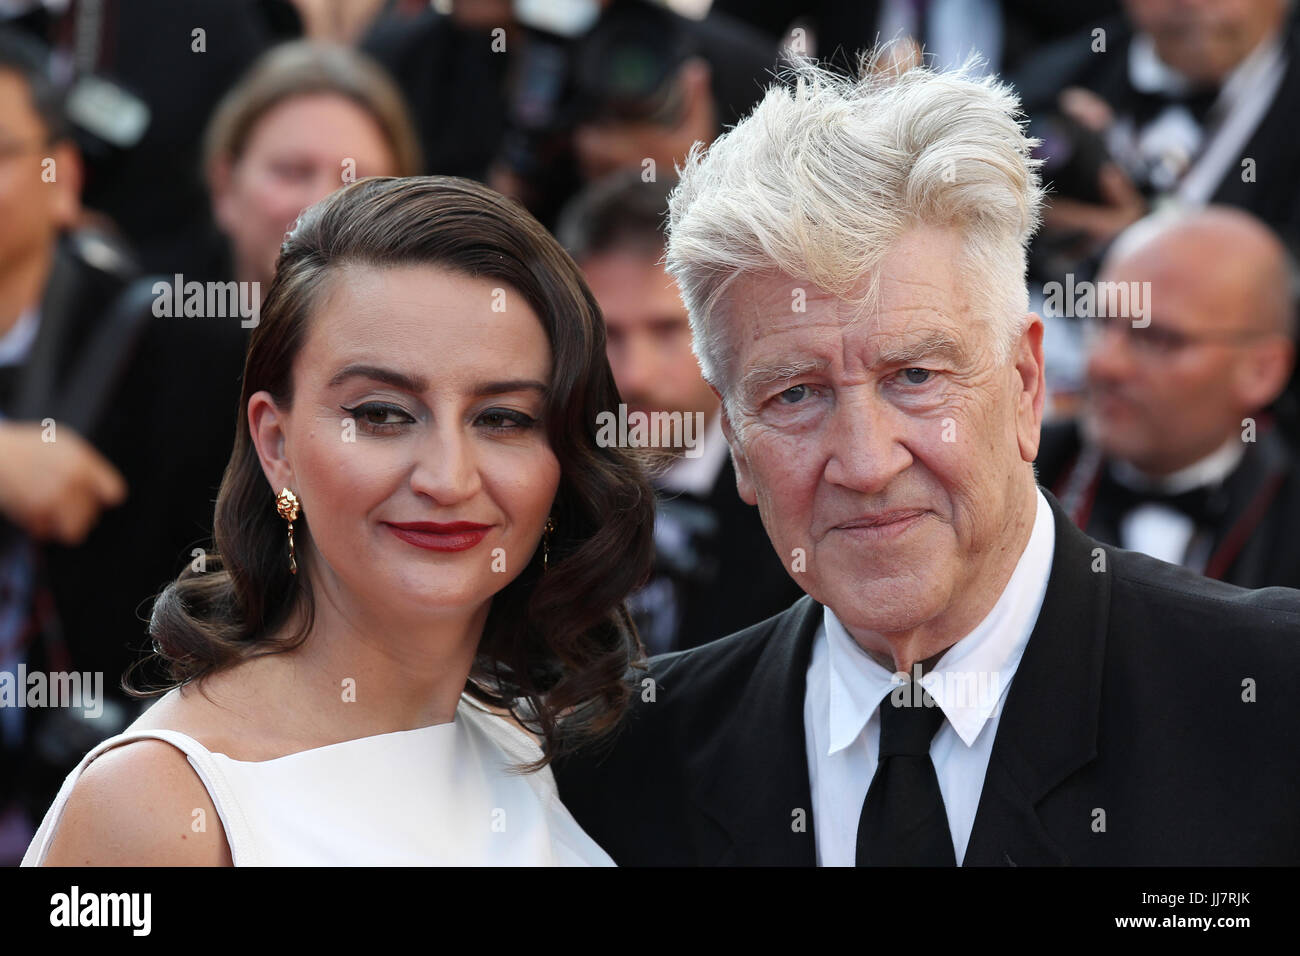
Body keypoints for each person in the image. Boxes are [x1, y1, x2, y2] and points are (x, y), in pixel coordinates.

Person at [553, 55, 1300, 866]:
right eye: (795, 395)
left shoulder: (1270, 698)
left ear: (1025, 386)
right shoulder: (623, 767)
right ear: (734, 439)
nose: (866, 463)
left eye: (914, 377)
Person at [22, 175, 655, 866]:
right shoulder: (158, 807)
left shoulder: (522, 740)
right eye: (381, 414)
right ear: (276, 443)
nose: (447, 478)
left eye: (503, 418)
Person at [557, 170, 803, 653]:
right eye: (609, 336)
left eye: (668, 330)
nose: (635, 377)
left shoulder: (799, 498)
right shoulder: (544, 496)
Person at [1036, 205, 1300, 588]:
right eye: (1100, 322)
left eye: (1156, 339)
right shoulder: (1020, 476)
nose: (1104, 364)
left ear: (1262, 371)